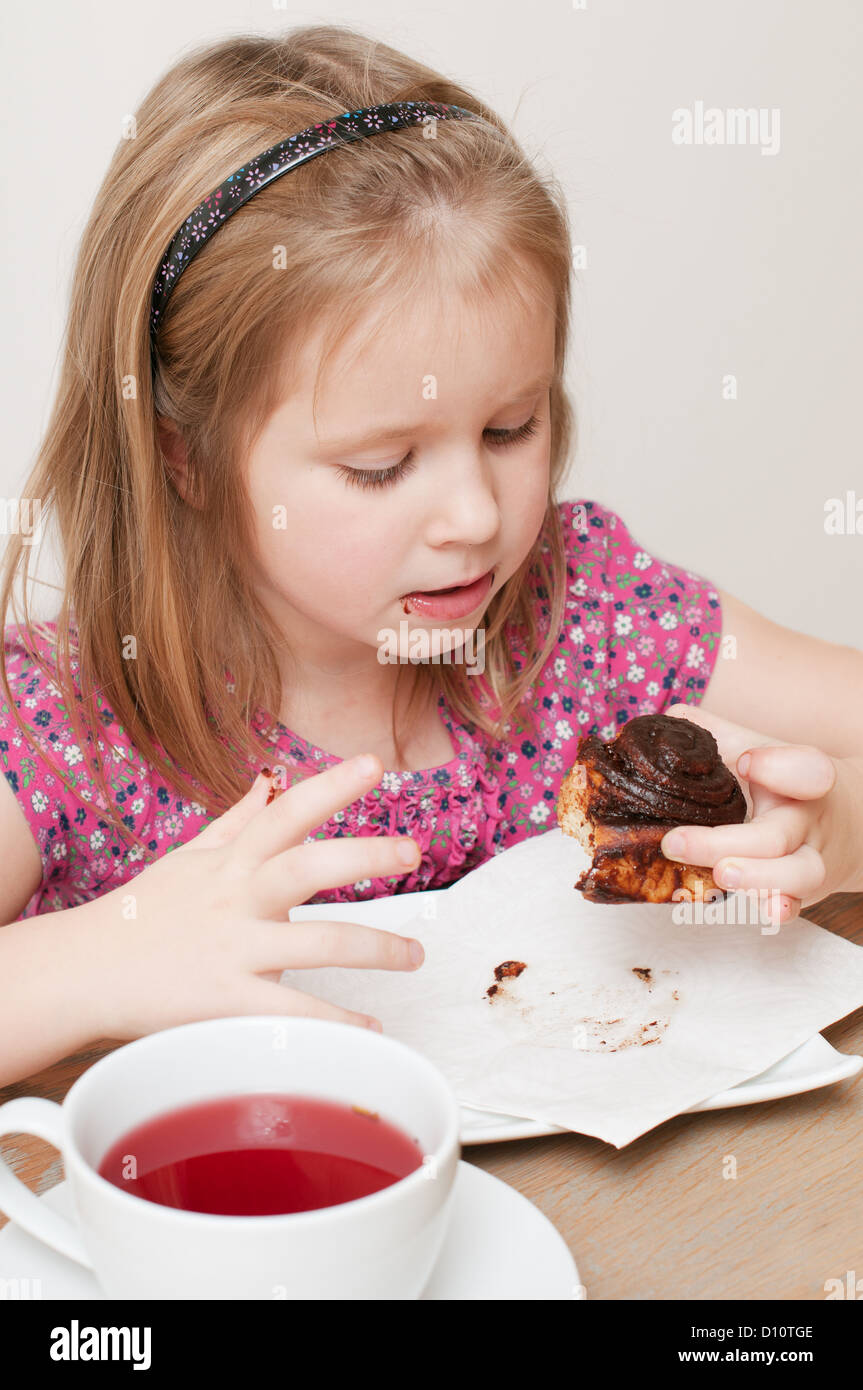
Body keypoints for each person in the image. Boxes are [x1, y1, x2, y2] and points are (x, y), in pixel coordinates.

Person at [0, 25, 860, 1087]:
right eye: (378, 465)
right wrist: (99, 955)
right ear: (188, 458)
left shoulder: (582, 614)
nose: (474, 514)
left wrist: (831, 832)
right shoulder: (72, 730)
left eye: (510, 429)